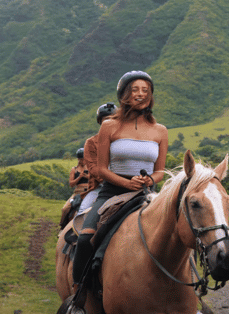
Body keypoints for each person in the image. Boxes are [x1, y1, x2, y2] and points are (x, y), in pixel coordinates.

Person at [69, 70, 169, 307]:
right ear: (124, 94)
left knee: (179, 234)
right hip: (112, 192)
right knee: (85, 240)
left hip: (146, 194)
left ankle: (187, 294)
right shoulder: (109, 126)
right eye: (135, 90)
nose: (140, 94)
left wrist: (150, 181)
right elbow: (102, 169)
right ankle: (79, 296)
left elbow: (160, 171)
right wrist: (126, 183)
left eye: (145, 90)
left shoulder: (160, 131)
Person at [76, 102, 117, 217]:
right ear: (100, 122)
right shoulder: (91, 142)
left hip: (127, 184)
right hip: (101, 186)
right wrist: (113, 181)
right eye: (107, 120)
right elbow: (93, 168)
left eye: (113, 119)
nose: (110, 122)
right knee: (83, 211)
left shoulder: (123, 141)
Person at [60, 148, 89, 229]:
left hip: (89, 191)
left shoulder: (90, 168)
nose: (83, 161)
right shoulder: (74, 169)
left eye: (84, 159)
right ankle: (62, 225)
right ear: (78, 159)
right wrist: (79, 177)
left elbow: (97, 178)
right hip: (77, 192)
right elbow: (71, 184)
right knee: (65, 208)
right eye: (81, 159)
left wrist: (87, 176)